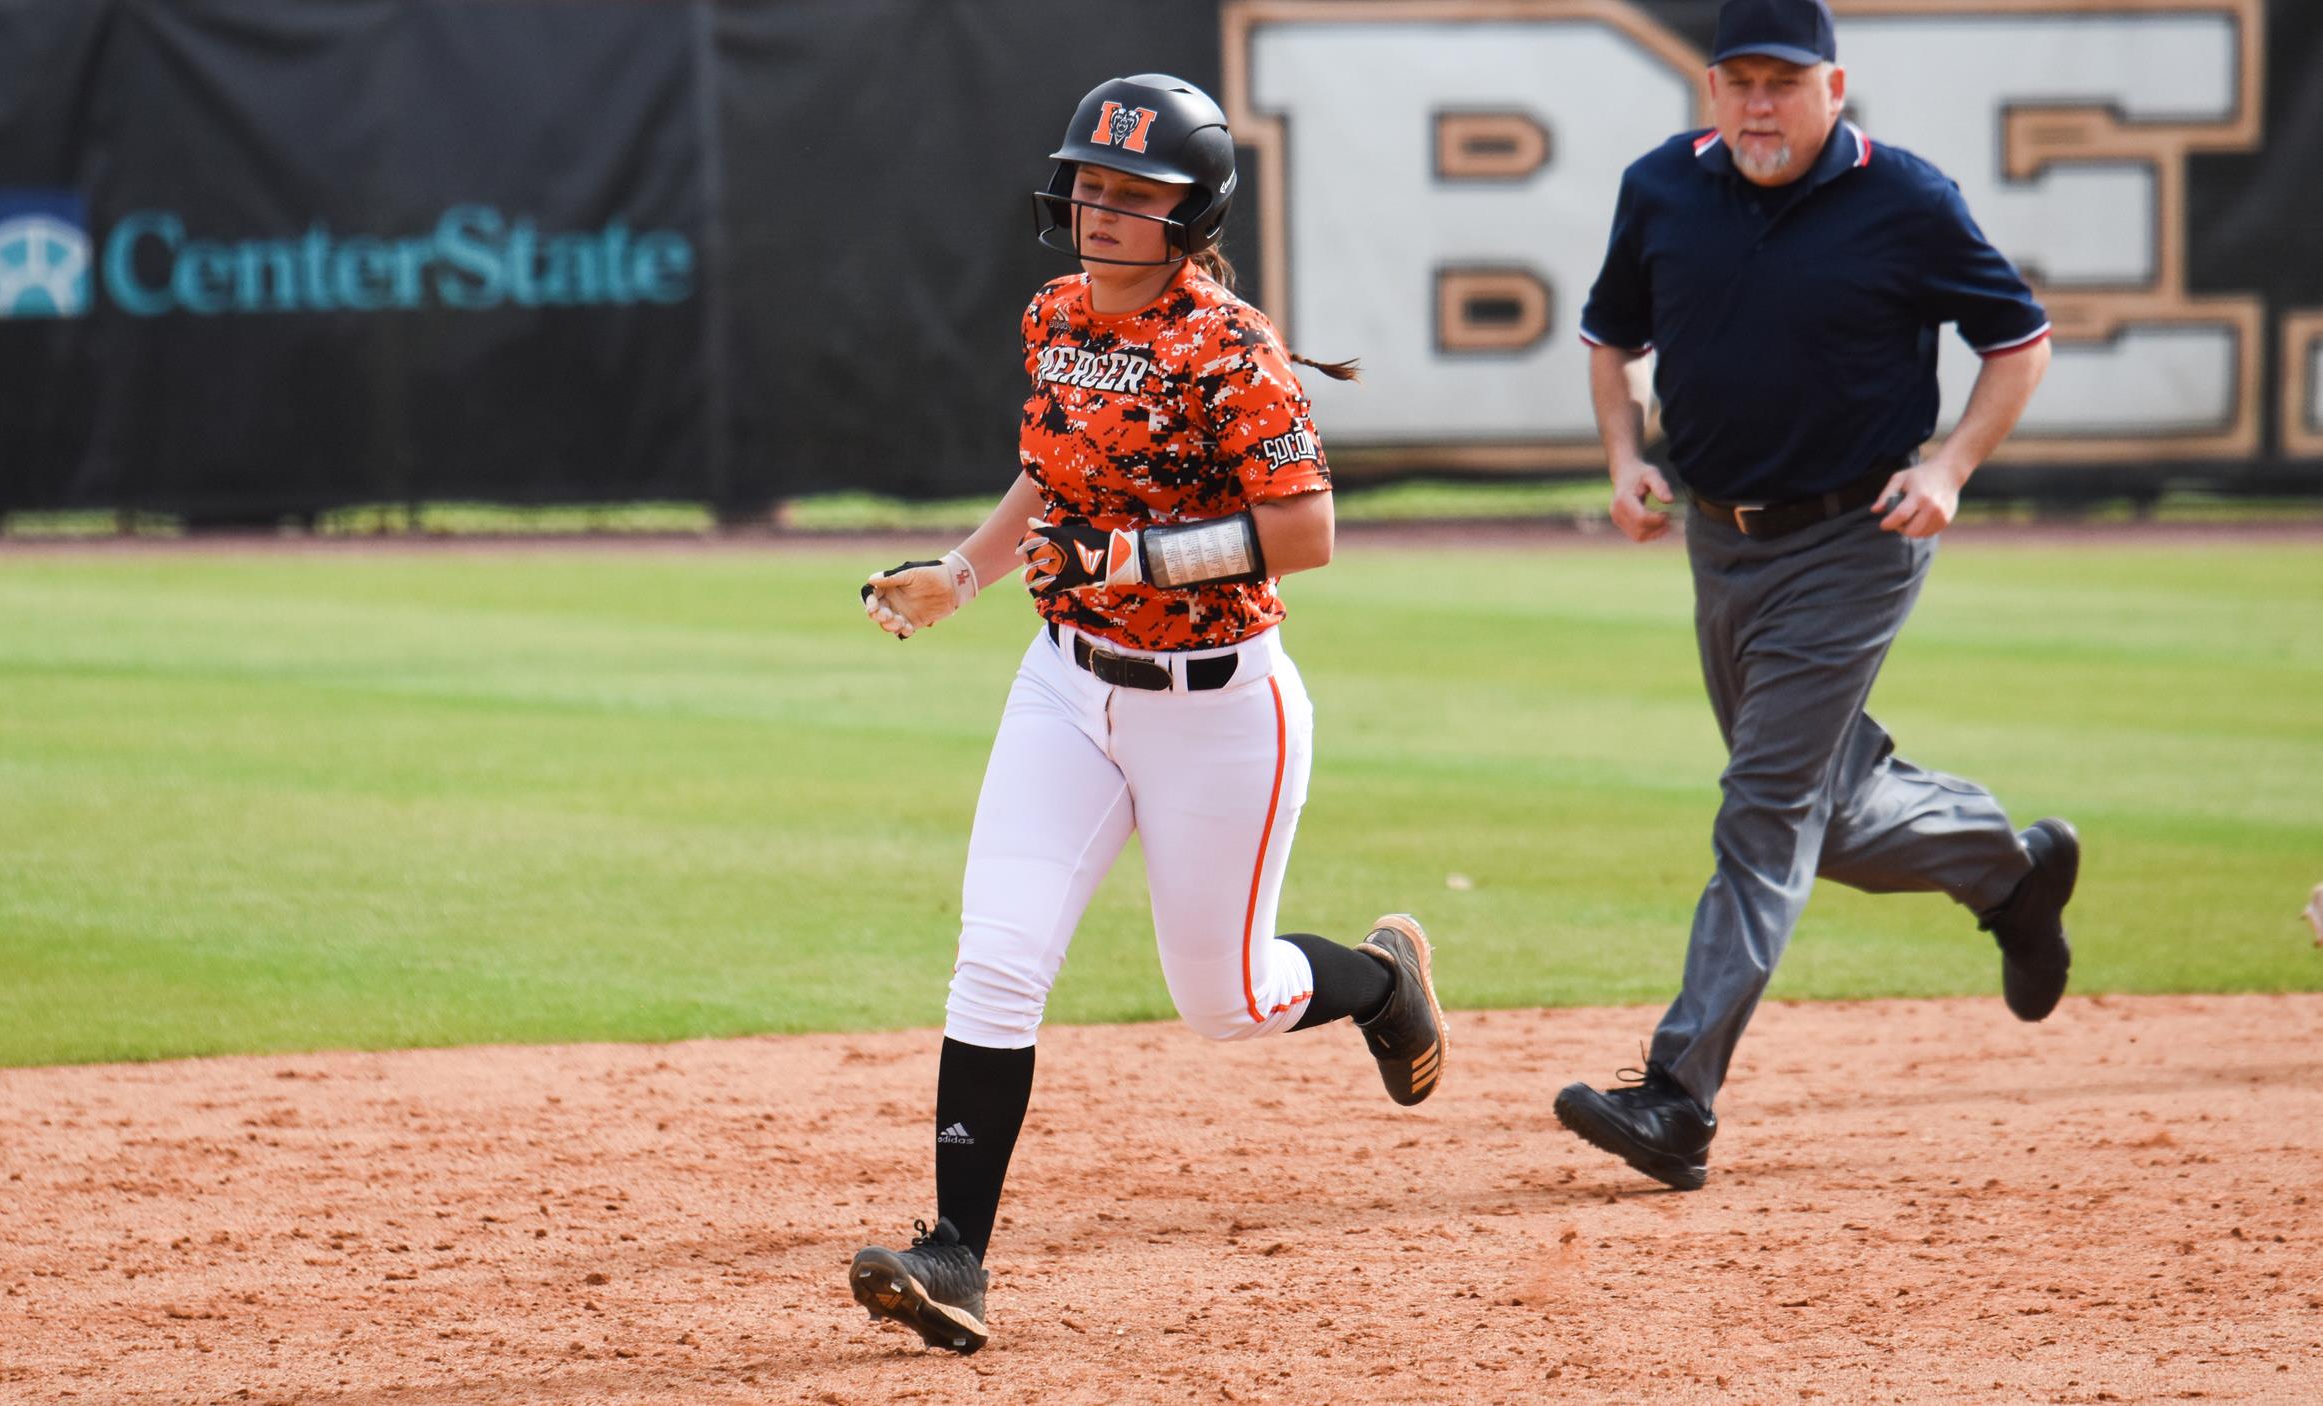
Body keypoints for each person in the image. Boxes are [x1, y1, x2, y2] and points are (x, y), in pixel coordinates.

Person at [842, 73, 1445, 1354]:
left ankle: (1383, 982)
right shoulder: (1055, 313)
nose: (1103, 209)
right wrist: (960, 573)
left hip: (1219, 708)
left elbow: (1306, 531)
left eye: (1136, 193)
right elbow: (1048, 470)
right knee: (997, 957)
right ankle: (955, 1255)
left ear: (1195, 210)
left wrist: (1131, 561)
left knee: (1229, 999)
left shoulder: (1228, 344)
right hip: (1066, 683)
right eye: (1090, 185)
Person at [1555, 0, 2078, 1193]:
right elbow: (1609, 337)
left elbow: (2021, 339)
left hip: (1855, 538)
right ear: (1710, 90)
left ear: (1831, 90)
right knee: (1824, 816)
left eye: (1780, 83)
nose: (1756, 104)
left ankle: (1677, 1095)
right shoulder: (1662, 189)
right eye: (1735, 80)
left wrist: (1948, 467)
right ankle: (2007, 868)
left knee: (1764, 805)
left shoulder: (1907, 198)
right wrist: (1622, 456)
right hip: (1718, 536)